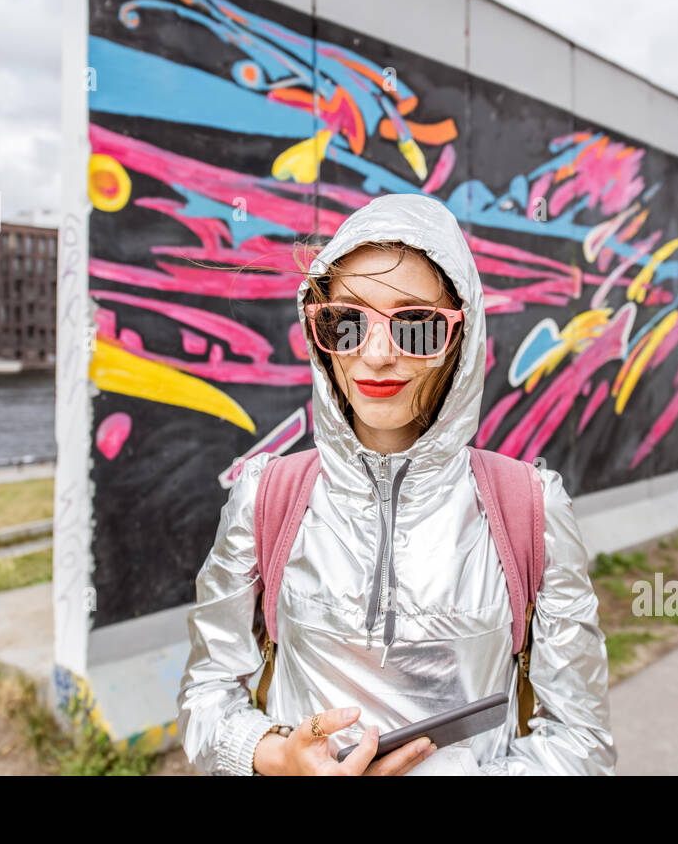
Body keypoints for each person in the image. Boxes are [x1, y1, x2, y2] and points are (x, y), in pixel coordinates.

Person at [176, 193, 617, 775]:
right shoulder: (267, 498)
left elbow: (582, 741)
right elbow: (207, 692)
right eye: (346, 322)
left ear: (461, 338)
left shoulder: (528, 506)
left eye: (416, 326)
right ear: (318, 333)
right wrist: (277, 756)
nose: (377, 354)